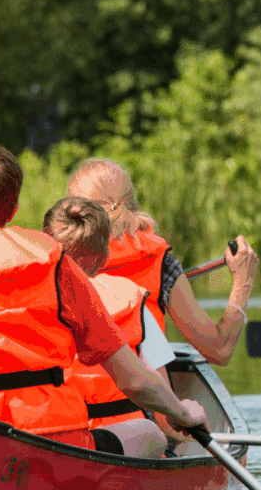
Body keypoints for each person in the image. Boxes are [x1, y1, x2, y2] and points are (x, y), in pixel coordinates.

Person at [0, 141, 205, 453]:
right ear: (12, 208)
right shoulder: (55, 266)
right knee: (148, 435)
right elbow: (130, 376)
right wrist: (180, 411)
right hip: (52, 439)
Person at [66, 159, 257, 364]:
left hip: (71, 395)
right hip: (140, 394)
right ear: (131, 204)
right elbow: (219, 349)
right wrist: (242, 282)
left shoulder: (58, 264)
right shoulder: (159, 263)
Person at [42, 195, 182, 459]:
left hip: (55, 439)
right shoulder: (133, 300)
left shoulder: (27, 305)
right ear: (104, 255)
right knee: (157, 436)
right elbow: (164, 418)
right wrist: (187, 415)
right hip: (124, 448)